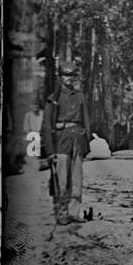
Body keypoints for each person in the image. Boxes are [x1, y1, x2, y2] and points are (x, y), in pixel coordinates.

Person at [42, 60, 93, 225]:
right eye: (66, 75)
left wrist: (86, 143)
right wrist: (50, 151)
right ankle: (61, 214)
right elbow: (46, 126)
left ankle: (73, 213)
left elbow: (86, 121)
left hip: (77, 141)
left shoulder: (80, 96)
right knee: (61, 180)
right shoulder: (53, 99)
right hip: (61, 142)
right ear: (59, 76)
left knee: (77, 179)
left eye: (72, 75)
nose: (69, 78)